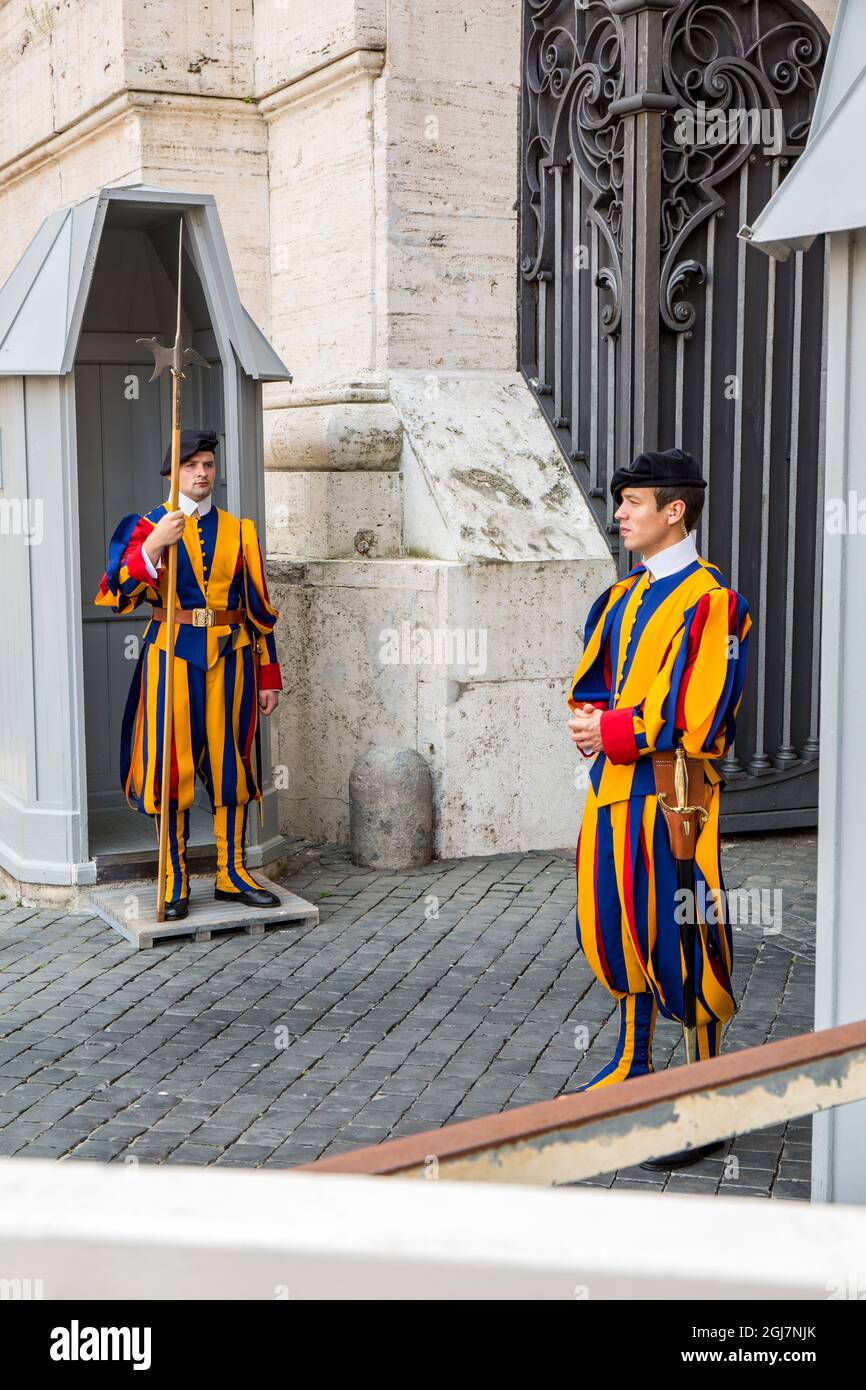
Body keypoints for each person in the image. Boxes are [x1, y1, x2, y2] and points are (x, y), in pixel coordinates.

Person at [566, 447, 751, 1166]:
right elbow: (592, 682)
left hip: (675, 797)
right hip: (614, 791)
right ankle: (633, 1067)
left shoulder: (714, 601)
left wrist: (611, 726)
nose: (619, 516)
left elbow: (703, 717)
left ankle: (708, 1095)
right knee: (620, 926)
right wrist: (589, 720)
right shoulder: (618, 597)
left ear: (673, 510)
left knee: (684, 934)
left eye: (631, 504)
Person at [94, 428, 282, 920]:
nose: (202, 473)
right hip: (171, 657)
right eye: (191, 465)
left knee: (231, 763)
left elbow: (259, 610)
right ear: (172, 473)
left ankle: (232, 871)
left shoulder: (241, 531)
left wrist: (268, 675)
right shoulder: (144, 527)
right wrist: (153, 548)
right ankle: (174, 878)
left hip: (233, 656)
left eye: (208, 465)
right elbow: (115, 596)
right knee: (169, 766)